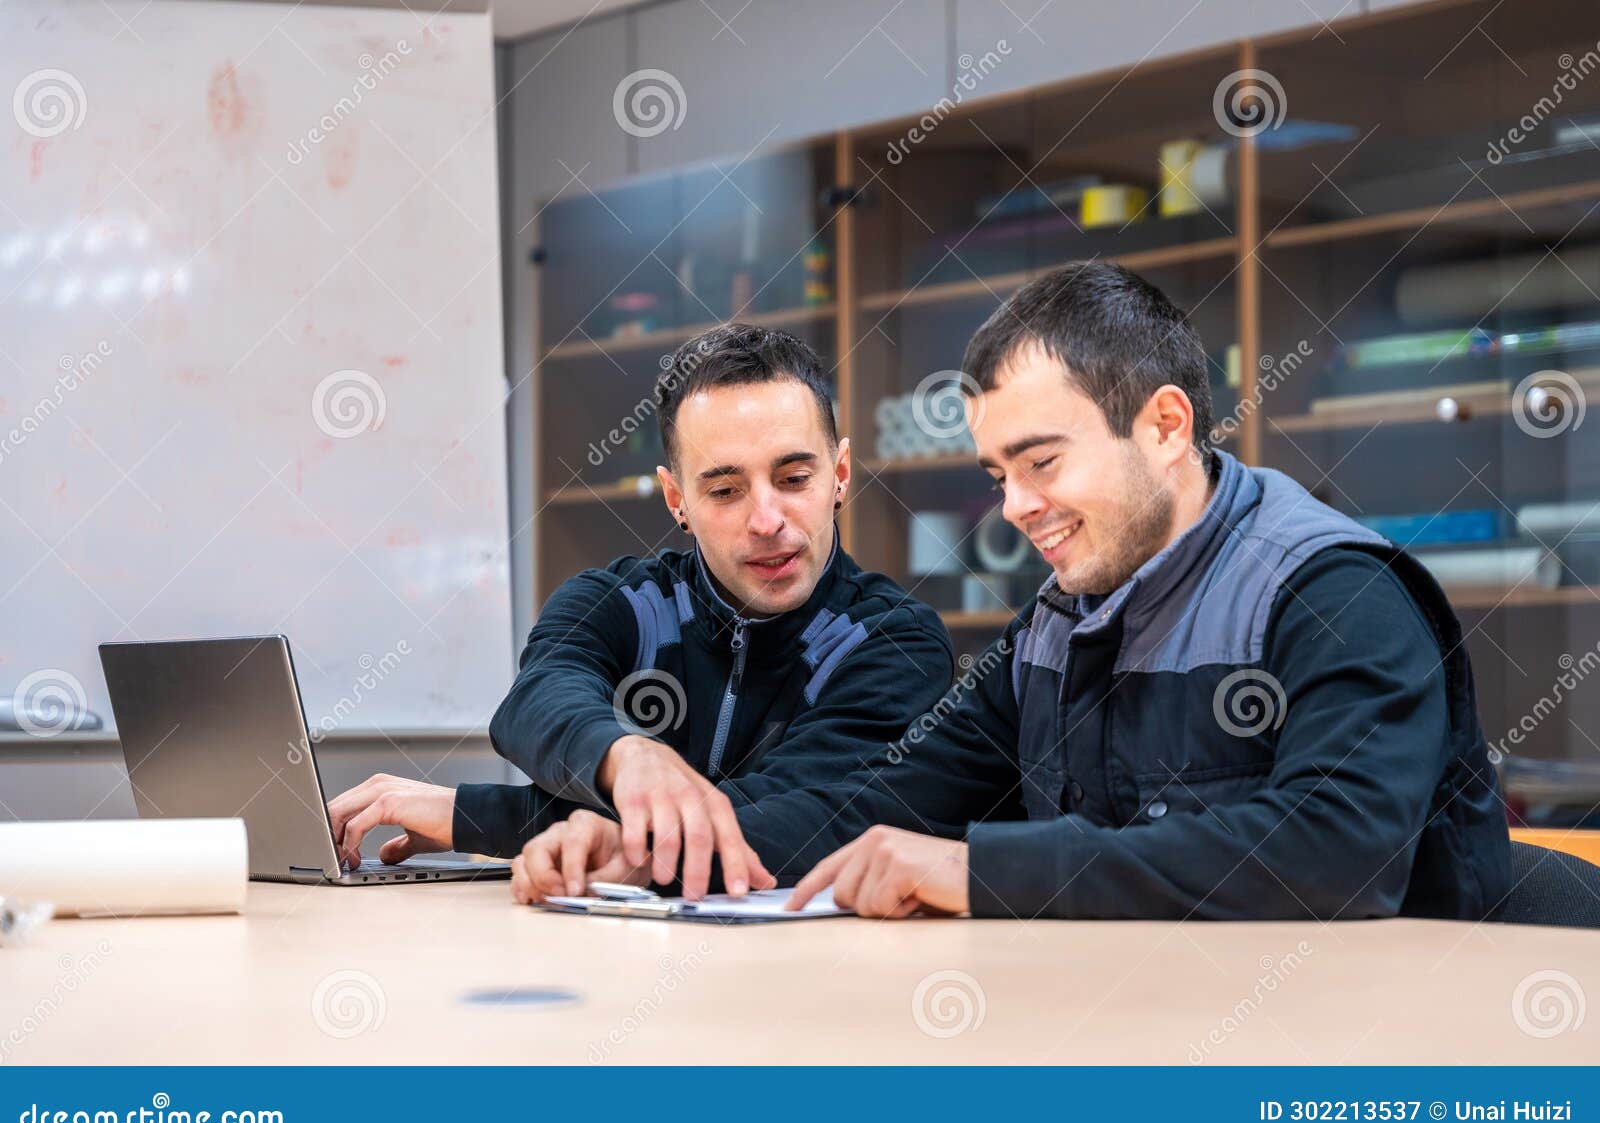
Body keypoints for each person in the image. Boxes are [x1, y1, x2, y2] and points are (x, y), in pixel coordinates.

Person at [523, 260, 1512, 921]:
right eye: (999, 474)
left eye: (1040, 461)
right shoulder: (1055, 622)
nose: (1015, 508)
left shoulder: (1332, 592)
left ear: (1164, 427)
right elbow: (876, 802)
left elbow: (1329, 851)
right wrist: (652, 856)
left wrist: (978, 870)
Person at [326, 323, 954, 901]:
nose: (767, 521)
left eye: (793, 479)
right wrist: (628, 756)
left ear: (840, 474)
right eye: (726, 490)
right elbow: (536, 701)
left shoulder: (896, 643)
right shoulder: (619, 601)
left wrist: (476, 817)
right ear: (678, 499)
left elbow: (774, 821)